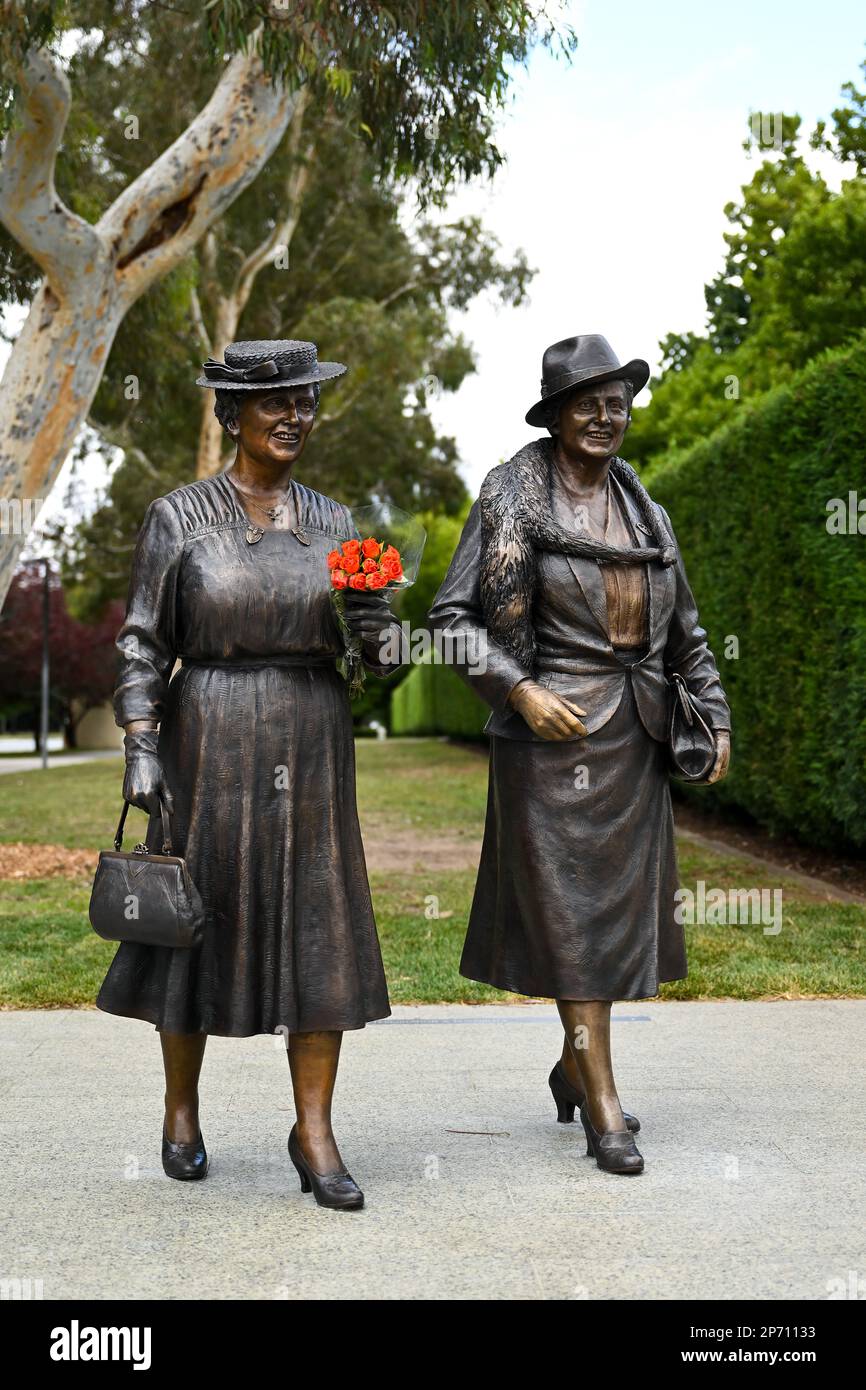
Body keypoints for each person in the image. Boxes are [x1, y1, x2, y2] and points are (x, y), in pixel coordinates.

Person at [97, 338, 398, 1210]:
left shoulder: (338, 523)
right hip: (208, 739)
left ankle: (313, 1131)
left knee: (320, 926)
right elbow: (142, 640)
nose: (295, 417)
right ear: (233, 414)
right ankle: (181, 1109)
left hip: (311, 743)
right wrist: (142, 743)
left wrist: (378, 625)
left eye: (305, 401)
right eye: (275, 403)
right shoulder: (178, 517)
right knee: (194, 924)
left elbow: (376, 670)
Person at [429, 334, 731, 1175]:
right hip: (549, 738)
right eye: (588, 403)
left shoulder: (649, 515)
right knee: (571, 926)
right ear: (556, 415)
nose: (607, 416)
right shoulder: (511, 501)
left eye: (618, 402)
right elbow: (450, 624)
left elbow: (689, 639)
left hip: (633, 740)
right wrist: (518, 690)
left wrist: (714, 716)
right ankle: (602, 1100)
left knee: (614, 922)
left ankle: (572, 1063)